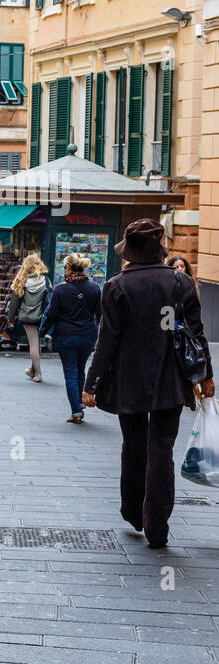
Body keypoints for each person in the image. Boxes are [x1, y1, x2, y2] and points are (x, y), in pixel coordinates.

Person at [84, 219, 214, 549]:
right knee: (161, 451)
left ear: (130, 252)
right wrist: (206, 376)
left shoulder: (116, 287)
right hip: (170, 379)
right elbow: (194, 334)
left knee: (134, 447)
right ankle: (157, 525)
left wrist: (92, 383)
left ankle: (131, 509)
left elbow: (107, 340)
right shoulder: (180, 282)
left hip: (129, 380)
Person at [39, 253, 101, 424]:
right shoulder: (95, 288)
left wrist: (43, 330)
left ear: (68, 267)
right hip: (87, 335)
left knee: (70, 373)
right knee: (80, 369)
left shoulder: (60, 289)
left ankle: (76, 411)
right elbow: (100, 314)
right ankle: (80, 402)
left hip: (66, 336)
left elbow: (51, 313)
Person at [7, 253, 52, 383]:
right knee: (37, 344)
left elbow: (14, 303)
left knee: (33, 344)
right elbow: (50, 299)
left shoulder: (22, 281)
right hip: (41, 316)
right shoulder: (45, 280)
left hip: (27, 317)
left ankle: (38, 373)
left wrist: (10, 319)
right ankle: (32, 371)